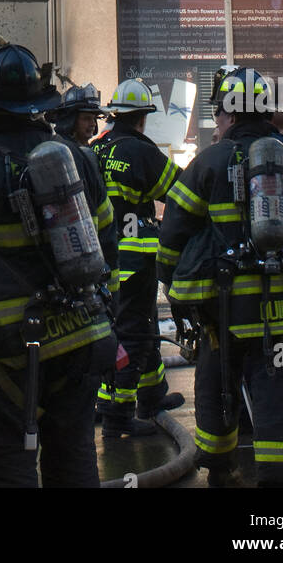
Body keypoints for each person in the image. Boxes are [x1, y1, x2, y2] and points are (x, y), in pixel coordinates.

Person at [0, 38, 118, 488]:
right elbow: (107, 247)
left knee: (5, 452)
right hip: (82, 334)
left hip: (12, 348)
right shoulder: (77, 158)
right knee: (73, 451)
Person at [158, 67, 283, 489]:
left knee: (216, 382)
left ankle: (219, 466)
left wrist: (169, 280)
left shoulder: (209, 161)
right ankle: (279, 477)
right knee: (277, 389)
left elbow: (175, 227)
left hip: (224, 309)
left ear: (227, 116)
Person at [92, 78, 184, 437]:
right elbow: (179, 189)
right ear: (143, 117)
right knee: (136, 333)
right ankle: (119, 412)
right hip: (136, 257)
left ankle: (151, 396)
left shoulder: (97, 149)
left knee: (131, 326)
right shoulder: (141, 151)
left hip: (102, 259)